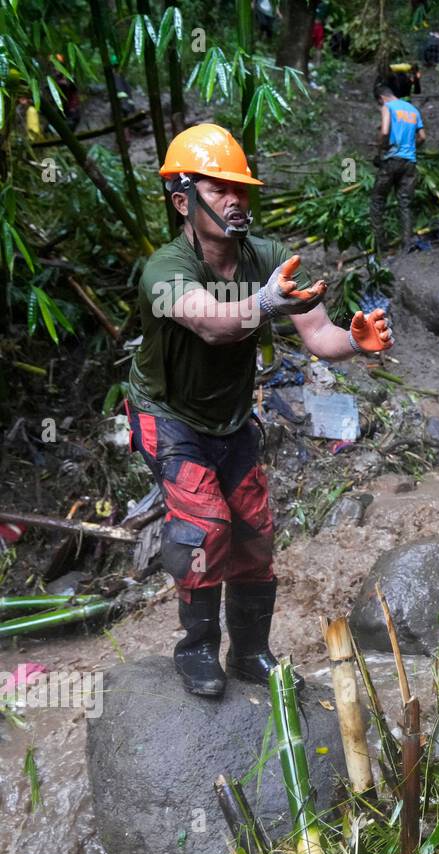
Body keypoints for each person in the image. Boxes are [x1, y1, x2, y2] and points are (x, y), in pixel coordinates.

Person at [125, 124, 393, 697]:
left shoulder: (266, 257)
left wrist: (356, 341)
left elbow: (318, 336)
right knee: (205, 527)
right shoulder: (164, 269)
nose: (235, 200)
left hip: (229, 417)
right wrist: (266, 301)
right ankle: (196, 649)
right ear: (183, 200)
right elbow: (210, 324)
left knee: (254, 532)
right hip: (167, 414)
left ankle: (250, 652)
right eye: (219, 189)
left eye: (241, 189)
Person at [369, 85, 425, 255]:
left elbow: (385, 131)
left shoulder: (388, 107)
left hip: (391, 160)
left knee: (378, 200)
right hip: (410, 162)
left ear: (381, 98)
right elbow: (422, 137)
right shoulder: (413, 110)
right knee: (405, 203)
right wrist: (409, 148)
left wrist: (381, 148)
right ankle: (406, 245)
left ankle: (381, 246)